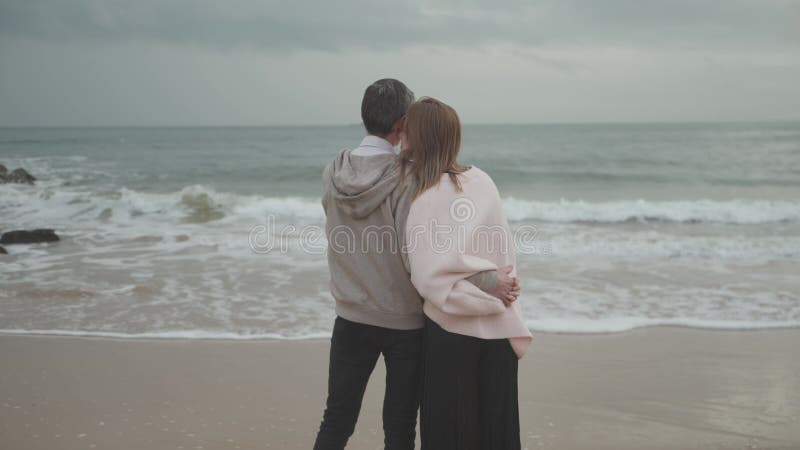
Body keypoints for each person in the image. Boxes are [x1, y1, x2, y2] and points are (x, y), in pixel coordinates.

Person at [314, 80, 519, 450]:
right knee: (400, 427)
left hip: (350, 316)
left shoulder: (333, 171)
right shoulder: (408, 177)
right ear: (403, 124)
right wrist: (485, 278)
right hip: (403, 322)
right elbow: (424, 256)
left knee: (336, 419)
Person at [400, 97, 533, 450]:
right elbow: (503, 256)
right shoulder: (483, 181)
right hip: (499, 327)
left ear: (418, 137)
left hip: (450, 333)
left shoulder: (425, 196)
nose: (401, 138)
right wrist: (493, 286)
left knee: (451, 436)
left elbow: (429, 277)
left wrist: (482, 287)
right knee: (497, 435)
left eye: (407, 131)